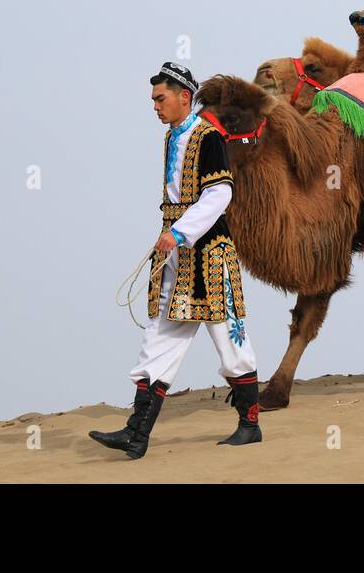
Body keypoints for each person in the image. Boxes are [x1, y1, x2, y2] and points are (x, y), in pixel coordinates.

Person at [88, 62, 260, 460]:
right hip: (175, 251)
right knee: (161, 333)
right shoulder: (171, 138)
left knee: (229, 337)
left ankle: (250, 424)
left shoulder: (208, 137)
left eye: (160, 98)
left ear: (184, 97)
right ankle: (137, 433)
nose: (155, 106)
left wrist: (179, 231)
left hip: (208, 252)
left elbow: (219, 195)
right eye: (153, 100)